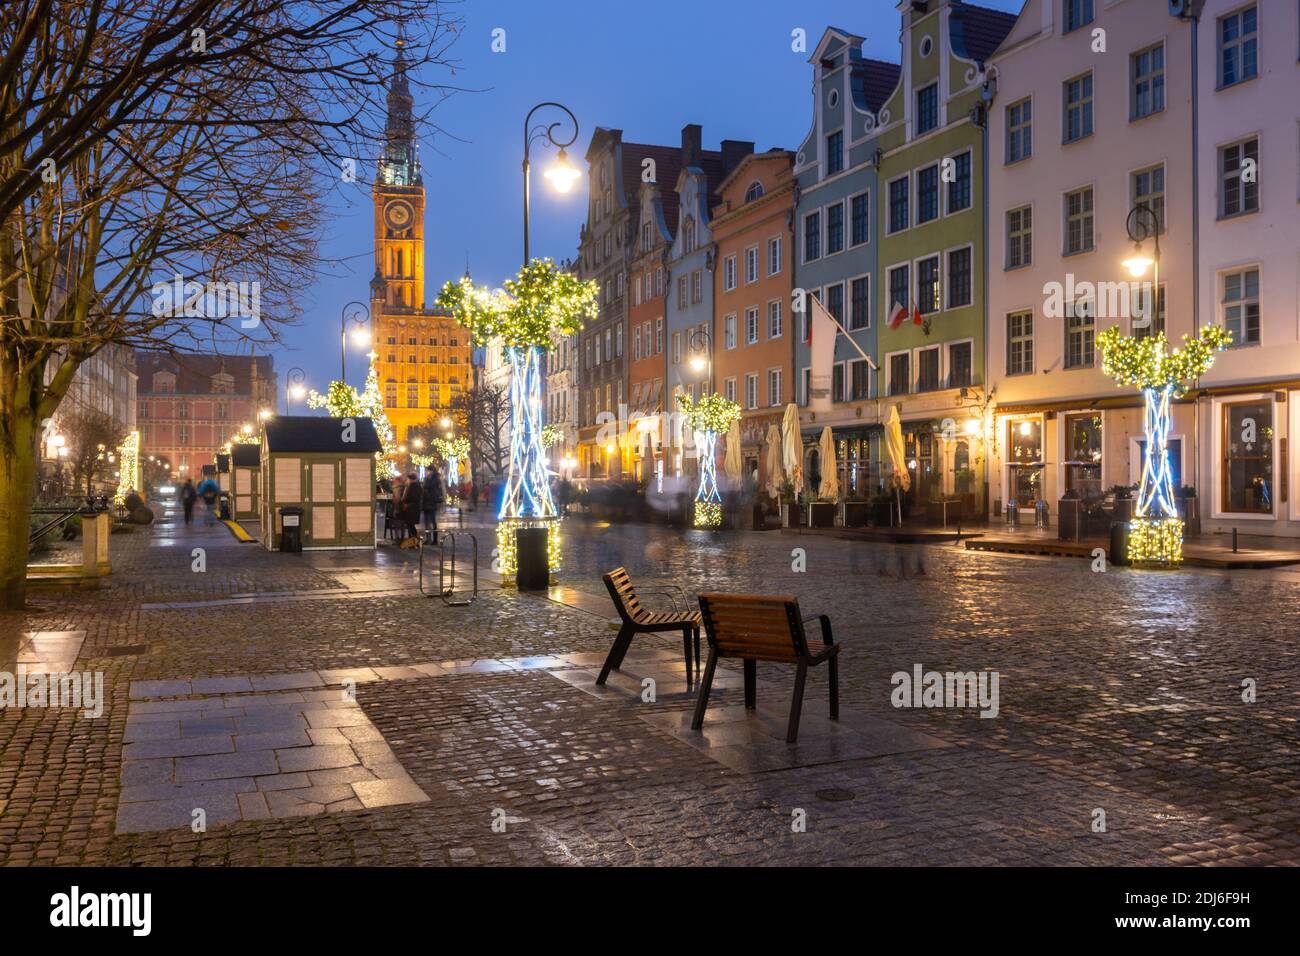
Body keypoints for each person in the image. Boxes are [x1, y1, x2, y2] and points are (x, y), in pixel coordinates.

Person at [398, 471, 422, 548]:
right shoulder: (417, 486)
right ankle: (415, 541)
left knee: (410, 525)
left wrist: (404, 500)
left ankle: (416, 541)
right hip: (414, 508)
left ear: (410, 479)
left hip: (411, 509)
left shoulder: (412, 487)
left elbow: (409, 497)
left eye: (408, 479)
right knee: (410, 525)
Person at [421, 467, 444, 542]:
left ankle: (431, 539)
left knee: (430, 521)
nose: (426, 472)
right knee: (430, 521)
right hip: (430, 502)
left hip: (430, 502)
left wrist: (425, 481)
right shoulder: (435, 478)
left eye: (427, 471)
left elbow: (427, 486)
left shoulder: (431, 479)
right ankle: (431, 539)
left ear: (430, 471)